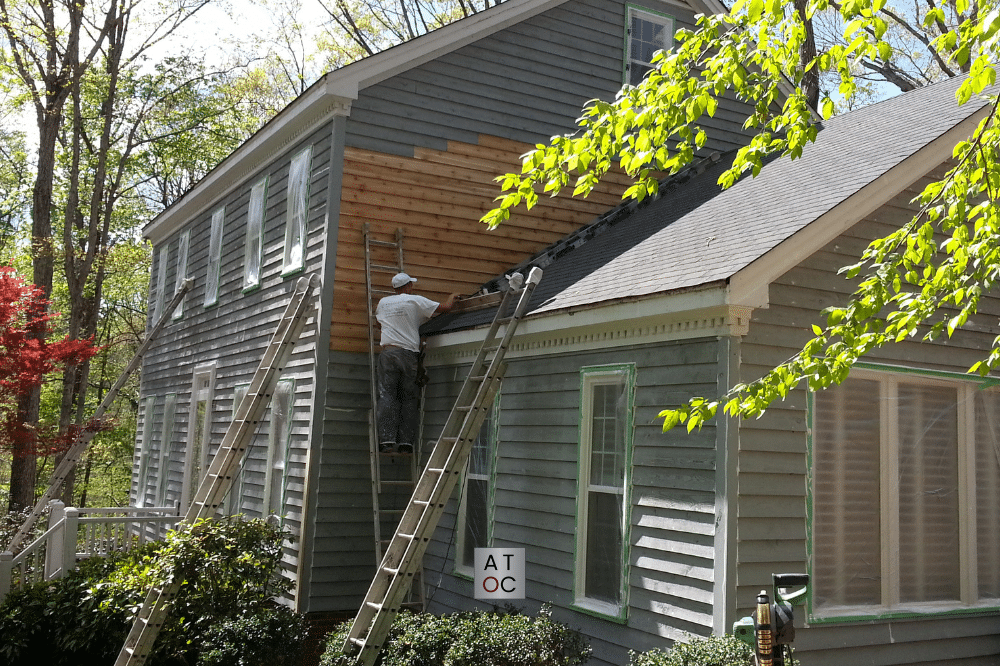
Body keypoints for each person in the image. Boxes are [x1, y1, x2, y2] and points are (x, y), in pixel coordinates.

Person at [376, 272, 458, 453]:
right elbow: (446, 308)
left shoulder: (383, 303)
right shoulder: (414, 301)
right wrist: (451, 297)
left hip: (388, 353)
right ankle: (405, 444)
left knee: (387, 395)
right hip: (407, 355)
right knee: (408, 398)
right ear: (408, 286)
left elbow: (380, 324)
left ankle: (386, 441)